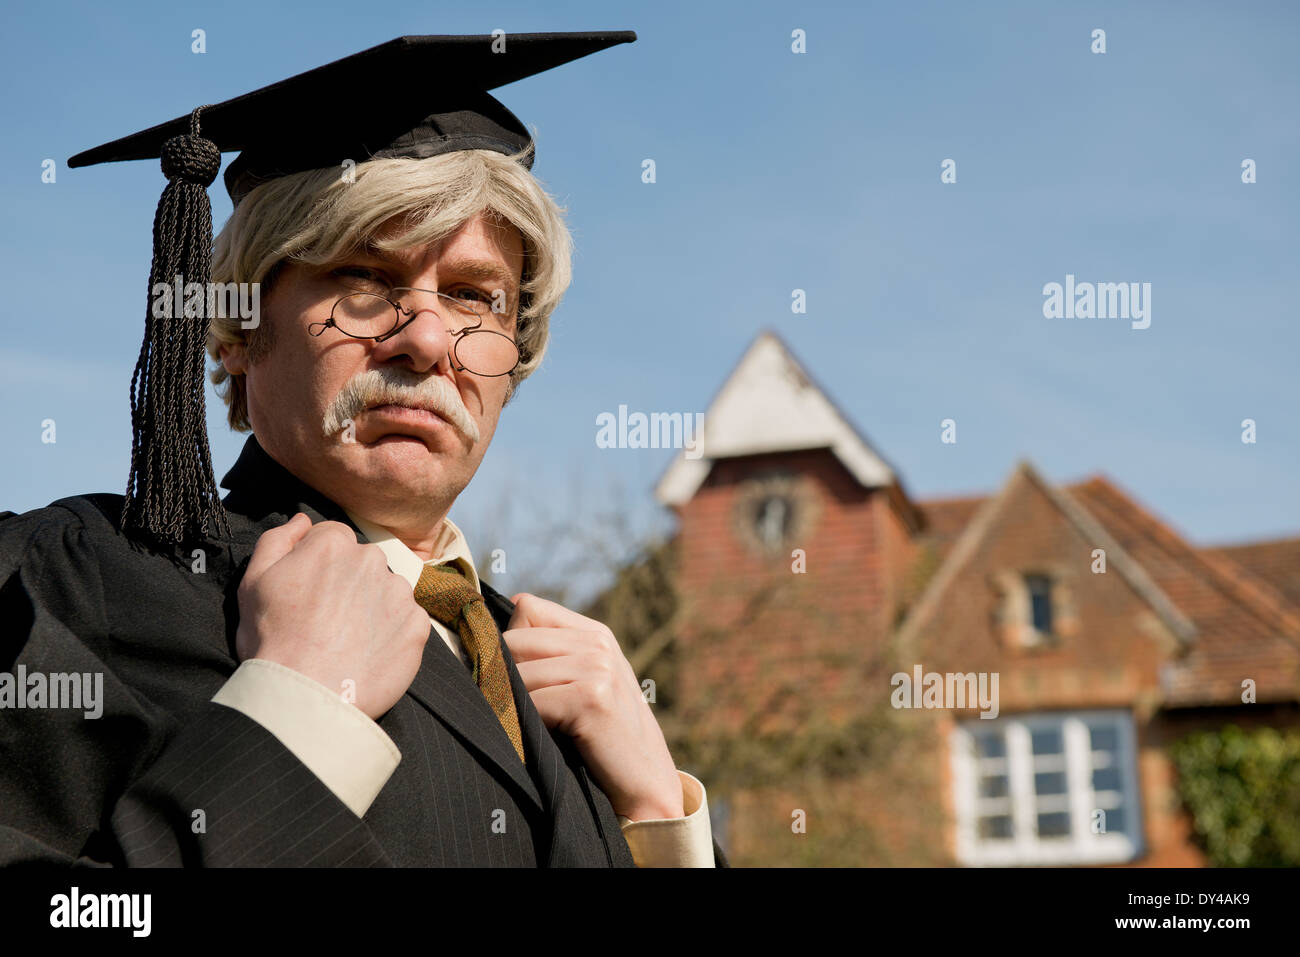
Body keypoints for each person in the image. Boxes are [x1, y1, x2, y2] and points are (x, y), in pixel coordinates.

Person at [0, 30, 723, 867]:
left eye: (472, 296)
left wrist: (659, 818)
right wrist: (295, 719)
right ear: (238, 330)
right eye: (365, 279)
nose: (425, 338)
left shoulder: (557, 685)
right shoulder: (79, 579)